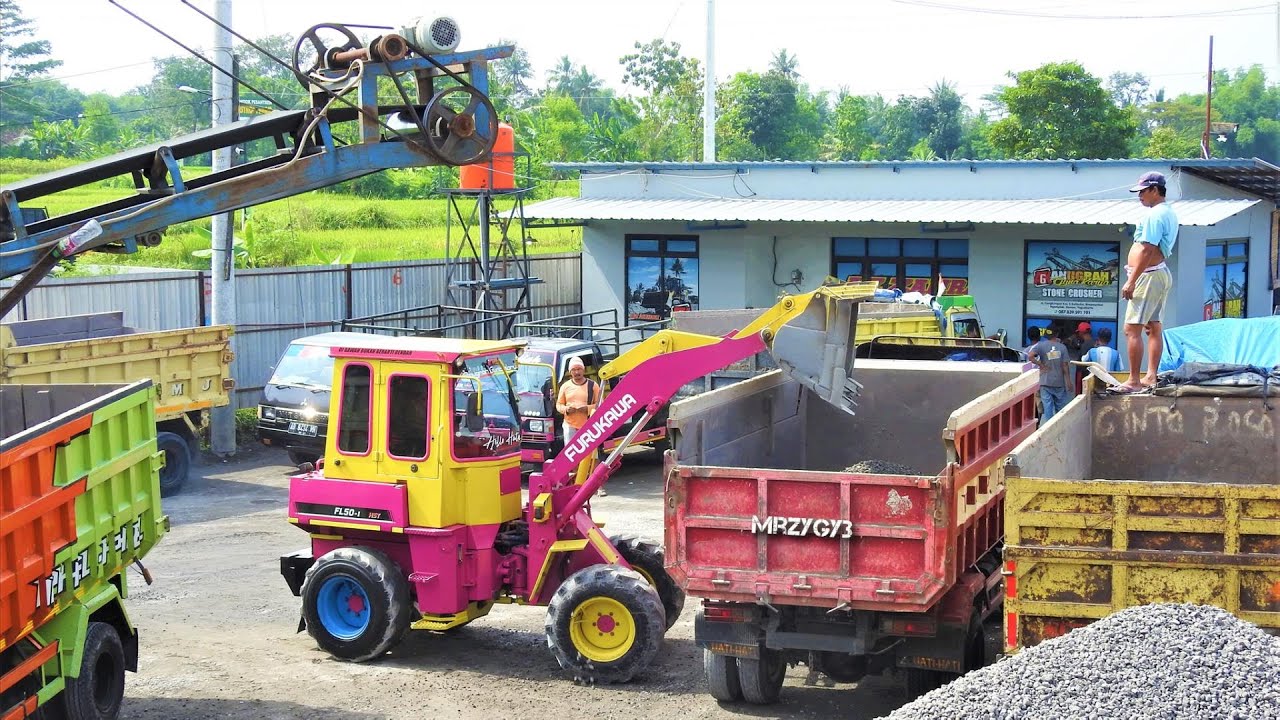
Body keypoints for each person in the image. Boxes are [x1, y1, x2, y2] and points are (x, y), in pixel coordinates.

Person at [1120, 171, 1178, 392]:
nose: (1140, 196)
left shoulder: (1154, 215)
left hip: (1148, 275)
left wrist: (1131, 281)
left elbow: (1147, 249)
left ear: (1155, 190)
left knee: (1131, 329)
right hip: (1158, 273)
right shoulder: (1168, 212)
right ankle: (1151, 376)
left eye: (1143, 191)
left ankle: (1134, 380)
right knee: (1153, 327)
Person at [554, 357, 603, 492]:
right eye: (574, 370)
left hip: (588, 426)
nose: (577, 372)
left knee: (593, 457)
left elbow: (601, 405)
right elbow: (558, 404)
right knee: (571, 456)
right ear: (570, 372)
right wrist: (565, 410)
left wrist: (586, 409)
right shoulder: (565, 386)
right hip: (570, 425)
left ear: (584, 370)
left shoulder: (593, 386)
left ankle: (598, 486)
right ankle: (576, 486)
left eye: (579, 369)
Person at [1027, 327, 1073, 423]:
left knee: (1047, 409)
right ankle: (1060, 426)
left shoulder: (1041, 346)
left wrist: (1041, 365)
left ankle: (1048, 426)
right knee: (1060, 409)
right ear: (1056, 335)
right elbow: (1065, 366)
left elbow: (1030, 356)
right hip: (1058, 383)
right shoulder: (1062, 347)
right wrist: (1068, 381)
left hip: (1045, 382)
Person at [1063, 321, 1093, 394]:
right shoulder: (1094, 343)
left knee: (1080, 393)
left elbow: (1082, 361)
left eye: (1079, 332)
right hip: (1092, 373)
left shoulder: (1084, 345)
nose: (1078, 334)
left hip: (1082, 373)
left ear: (1082, 333)